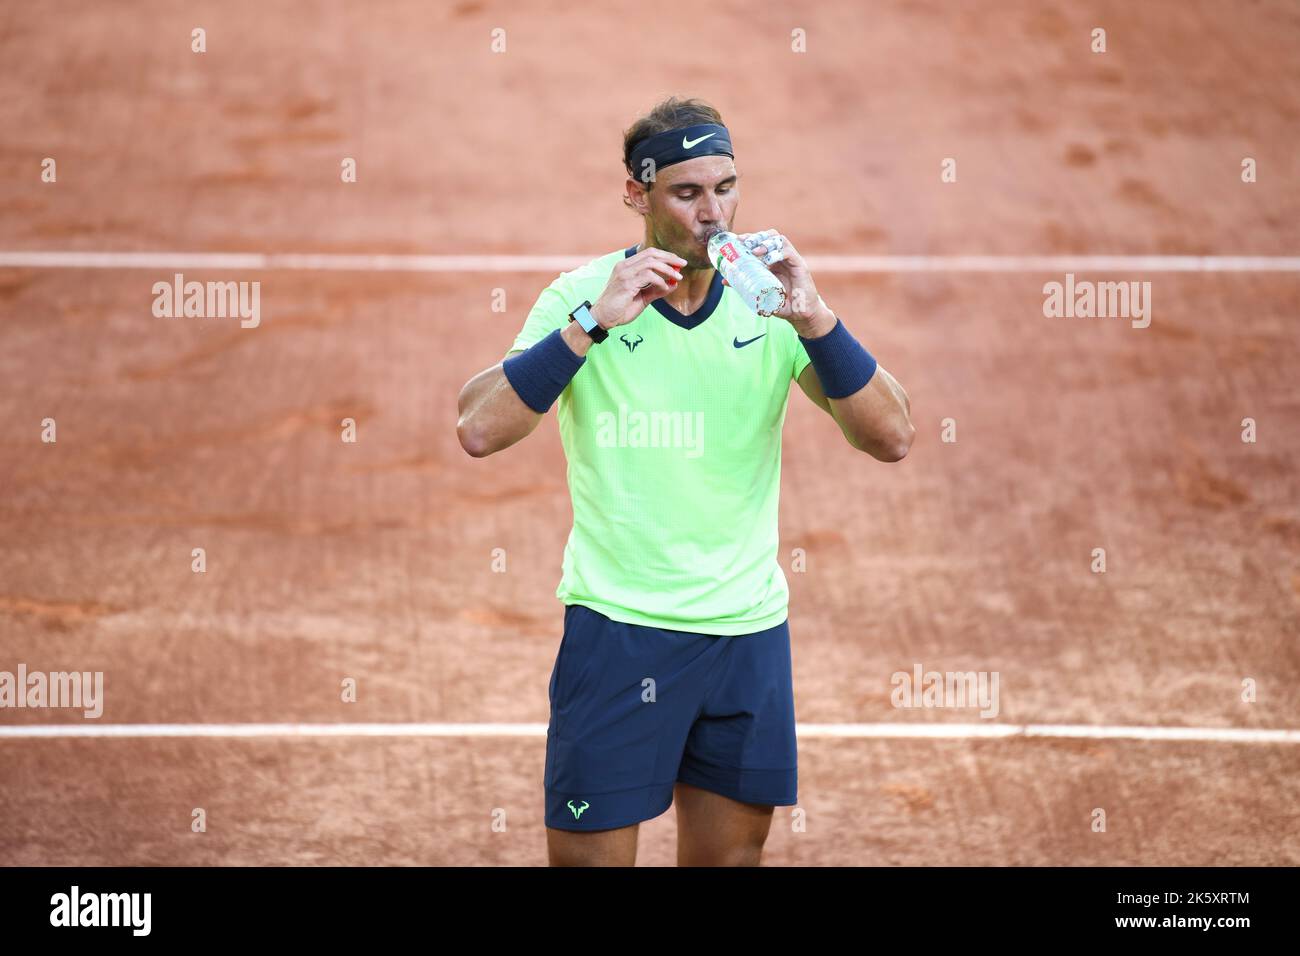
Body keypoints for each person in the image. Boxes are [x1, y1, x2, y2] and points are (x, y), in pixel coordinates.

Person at [456, 96, 914, 866]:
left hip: (745, 634)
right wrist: (590, 326)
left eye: (726, 187)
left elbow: (892, 436)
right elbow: (479, 428)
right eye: (687, 192)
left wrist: (817, 322)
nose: (715, 214)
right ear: (637, 195)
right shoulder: (585, 294)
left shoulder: (767, 301)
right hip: (618, 630)